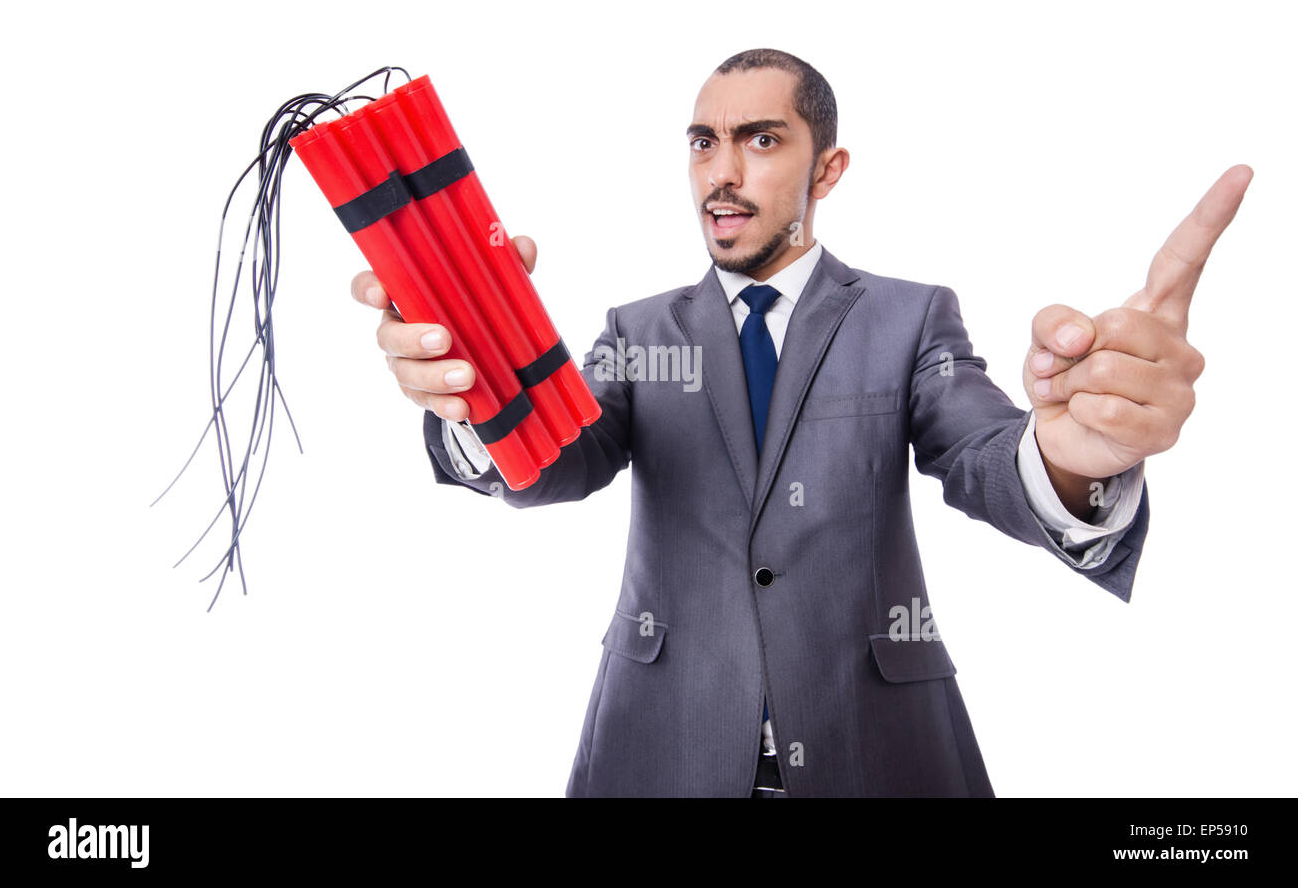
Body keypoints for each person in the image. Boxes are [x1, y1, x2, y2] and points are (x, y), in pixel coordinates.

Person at [350, 49, 1250, 797]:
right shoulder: (638, 331)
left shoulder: (909, 317)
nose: (722, 172)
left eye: (761, 139)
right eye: (703, 143)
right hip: (662, 749)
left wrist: (1075, 459)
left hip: (878, 752)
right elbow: (555, 462)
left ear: (828, 169)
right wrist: (477, 391)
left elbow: (980, 452)